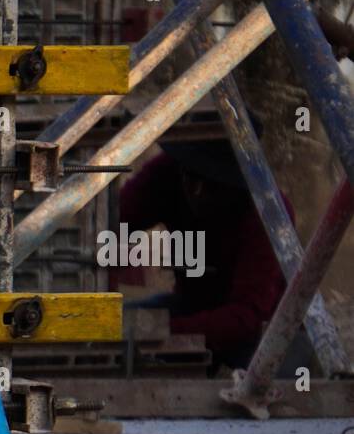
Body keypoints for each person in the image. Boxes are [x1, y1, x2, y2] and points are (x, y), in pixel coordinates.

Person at [115, 133, 288, 371]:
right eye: (192, 178)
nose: (197, 193)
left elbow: (246, 317)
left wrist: (162, 331)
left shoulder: (267, 209)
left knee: (264, 382)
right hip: (190, 306)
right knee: (106, 328)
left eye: (214, 184)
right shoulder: (165, 174)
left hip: (260, 328)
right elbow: (113, 227)